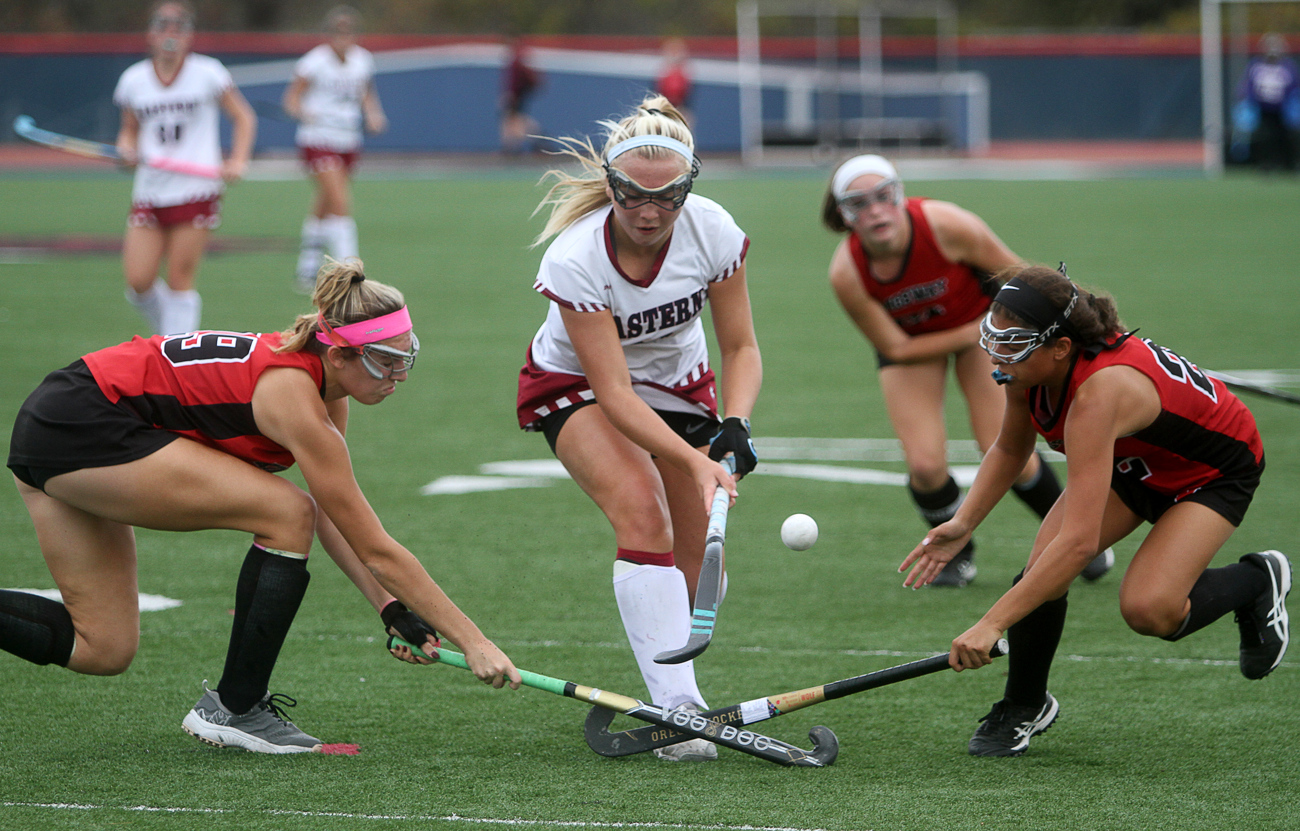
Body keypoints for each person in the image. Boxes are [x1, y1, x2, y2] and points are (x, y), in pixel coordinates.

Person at [4, 257, 521, 754]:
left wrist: (390, 607)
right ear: (339, 354)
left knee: (103, 648)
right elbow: (375, 548)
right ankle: (235, 707)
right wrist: (473, 641)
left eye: (405, 357)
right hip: (81, 422)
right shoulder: (293, 392)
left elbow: (338, 516)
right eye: (385, 361)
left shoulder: (327, 388)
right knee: (285, 512)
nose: (399, 375)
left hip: (61, 421)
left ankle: (233, 708)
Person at [900, 264, 1288, 757]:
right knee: (1041, 574)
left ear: (1061, 347)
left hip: (1211, 471)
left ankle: (1258, 579)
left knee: (1149, 611)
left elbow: (1079, 543)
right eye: (995, 337)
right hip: (1134, 460)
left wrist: (992, 623)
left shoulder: (1098, 396)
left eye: (1013, 341)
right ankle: (1024, 705)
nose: (999, 352)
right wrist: (964, 521)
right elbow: (1009, 447)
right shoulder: (1027, 367)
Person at [516, 95, 761, 761]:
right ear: (611, 185)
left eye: (667, 197)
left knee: (694, 557)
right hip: (577, 386)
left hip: (683, 386)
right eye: (632, 197)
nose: (650, 214)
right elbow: (615, 394)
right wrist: (696, 459)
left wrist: (733, 424)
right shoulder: (575, 260)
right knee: (641, 511)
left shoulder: (711, 230)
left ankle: (678, 689)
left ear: (687, 187)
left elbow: (740, 346)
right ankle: (679, 709)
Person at [823, 154, 1112, 587]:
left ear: (900, 195)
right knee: (924, 465)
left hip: (991, 334)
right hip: (917, 346)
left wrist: (1075, 315)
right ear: (844, 215)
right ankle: (956, 553)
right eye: (859, 203)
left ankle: (1078, 537)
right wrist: (976, 332)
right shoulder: (846, 273)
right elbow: (897, 347)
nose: (876, 210)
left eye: (884, 195)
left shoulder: (946, 225)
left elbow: (1023, 277)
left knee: (1007, 449)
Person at [114, 0, 257, 336]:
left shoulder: (208, 73)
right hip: (151, 188)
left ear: (190, 36)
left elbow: (243, 117)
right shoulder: (133, 80)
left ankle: (176, 357)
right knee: (138, 283)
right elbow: (129, 129)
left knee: (180, 279)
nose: (169, 34)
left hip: (195, 188)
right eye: (162, 26)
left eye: (178, 27)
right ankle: (177, 341)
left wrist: (238, 159)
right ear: (149, 33)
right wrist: (126, 148)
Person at [283, 5, 388, 294]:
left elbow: (367, 93)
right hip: (318, 140)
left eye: (349, 33)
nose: (343, 39)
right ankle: (350, 271)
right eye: (337, 33)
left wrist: (374, 115)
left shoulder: (362, 60)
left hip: (348, 139)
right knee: (340, 202)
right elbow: (291, 99)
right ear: (328, 36)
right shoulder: (313, 62)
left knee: (325, 203)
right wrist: (302, 112)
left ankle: (306, 267)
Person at [1234, 33, 1300, 172]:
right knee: (1264, 136)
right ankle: (1266, 163)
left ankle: (1289, 163)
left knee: (1287, 135)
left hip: (1283, 109)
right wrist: (1246, 99)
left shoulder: (1288, 66)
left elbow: (1294, 87)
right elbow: (1248, 86)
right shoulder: (1256, 65)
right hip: (1262, 109)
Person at [500, 37, 541, 155]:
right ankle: (511, 146)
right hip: (518, 96)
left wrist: (510, 95)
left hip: (516, 96)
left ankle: (537, 140)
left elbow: (515, 83)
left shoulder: (517, 64)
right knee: (513, 121)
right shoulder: (518, 63)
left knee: (515, 122)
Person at [656, 38, 694, 129]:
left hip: (680, 108)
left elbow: (686, 93)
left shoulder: (685, 72)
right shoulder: (664, 72)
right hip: (665, 107)